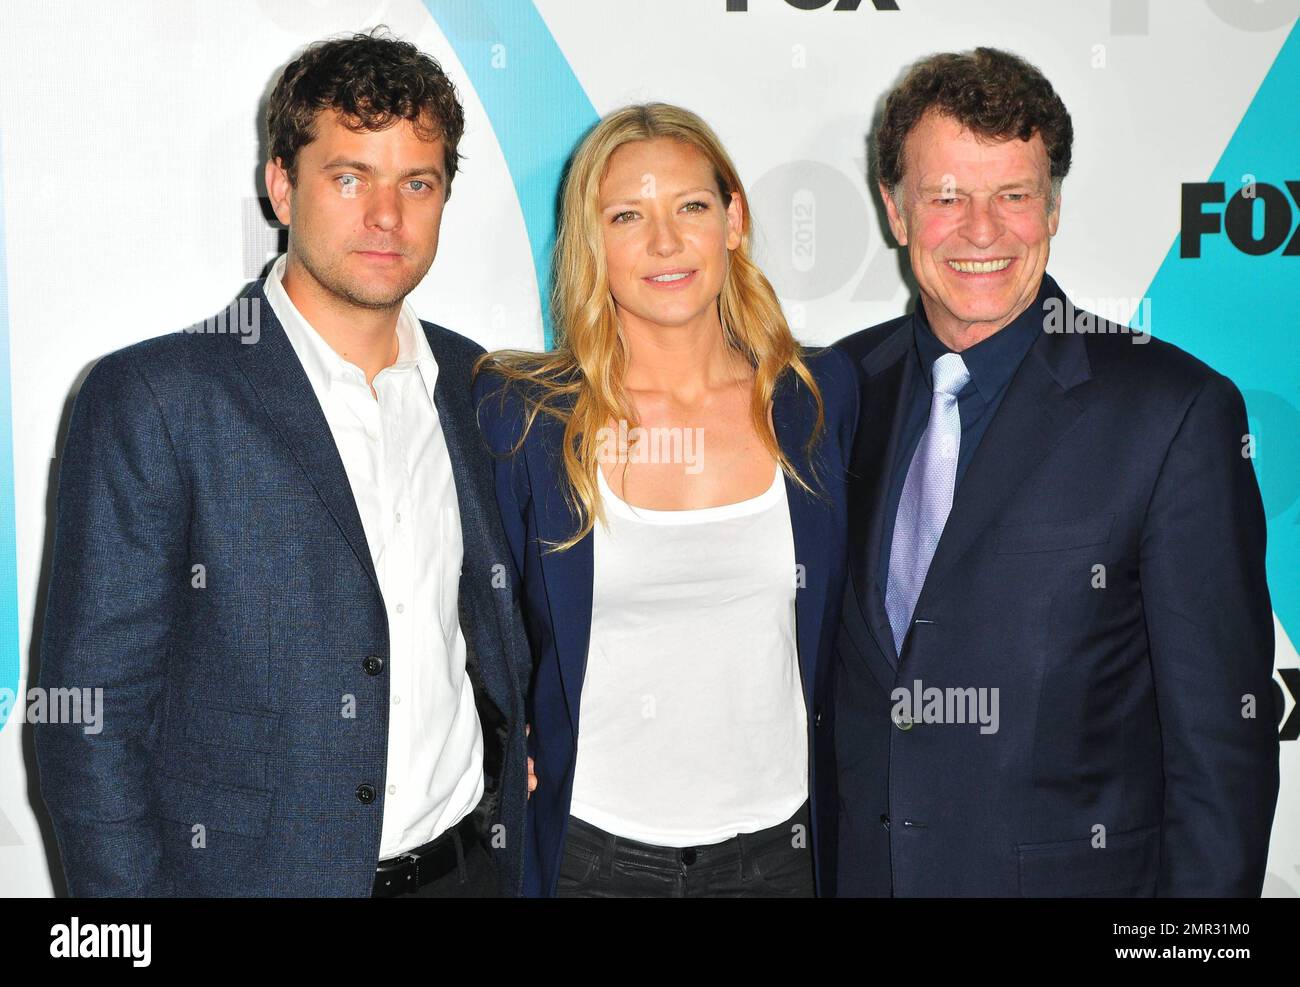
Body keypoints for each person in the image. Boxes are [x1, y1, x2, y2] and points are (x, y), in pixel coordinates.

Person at [34, 29, 530, 897]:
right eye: (350, 177)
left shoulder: (475, 383)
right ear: (279, 186)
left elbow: (482, 625)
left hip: (468, 874)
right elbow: (90, 726)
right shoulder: (157, 397)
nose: (388, 216)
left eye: (418, 182)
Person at [832, 47, 1279, 897]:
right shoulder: (842, 389)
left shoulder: (1173, 412)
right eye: (947, 197)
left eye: (1014, 195)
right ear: (895, 210)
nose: (982, 230)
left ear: (1055, 207)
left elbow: (1223, 748)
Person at [473, 103, 858, 897]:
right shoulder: (526, 417)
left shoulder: (817, 400)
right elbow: (469, 605)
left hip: (784, 859)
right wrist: (501, 744)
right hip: (590, 859)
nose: (665, 242)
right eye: (627, 215)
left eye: (691, 206)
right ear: (591, 243)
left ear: (734, 219)